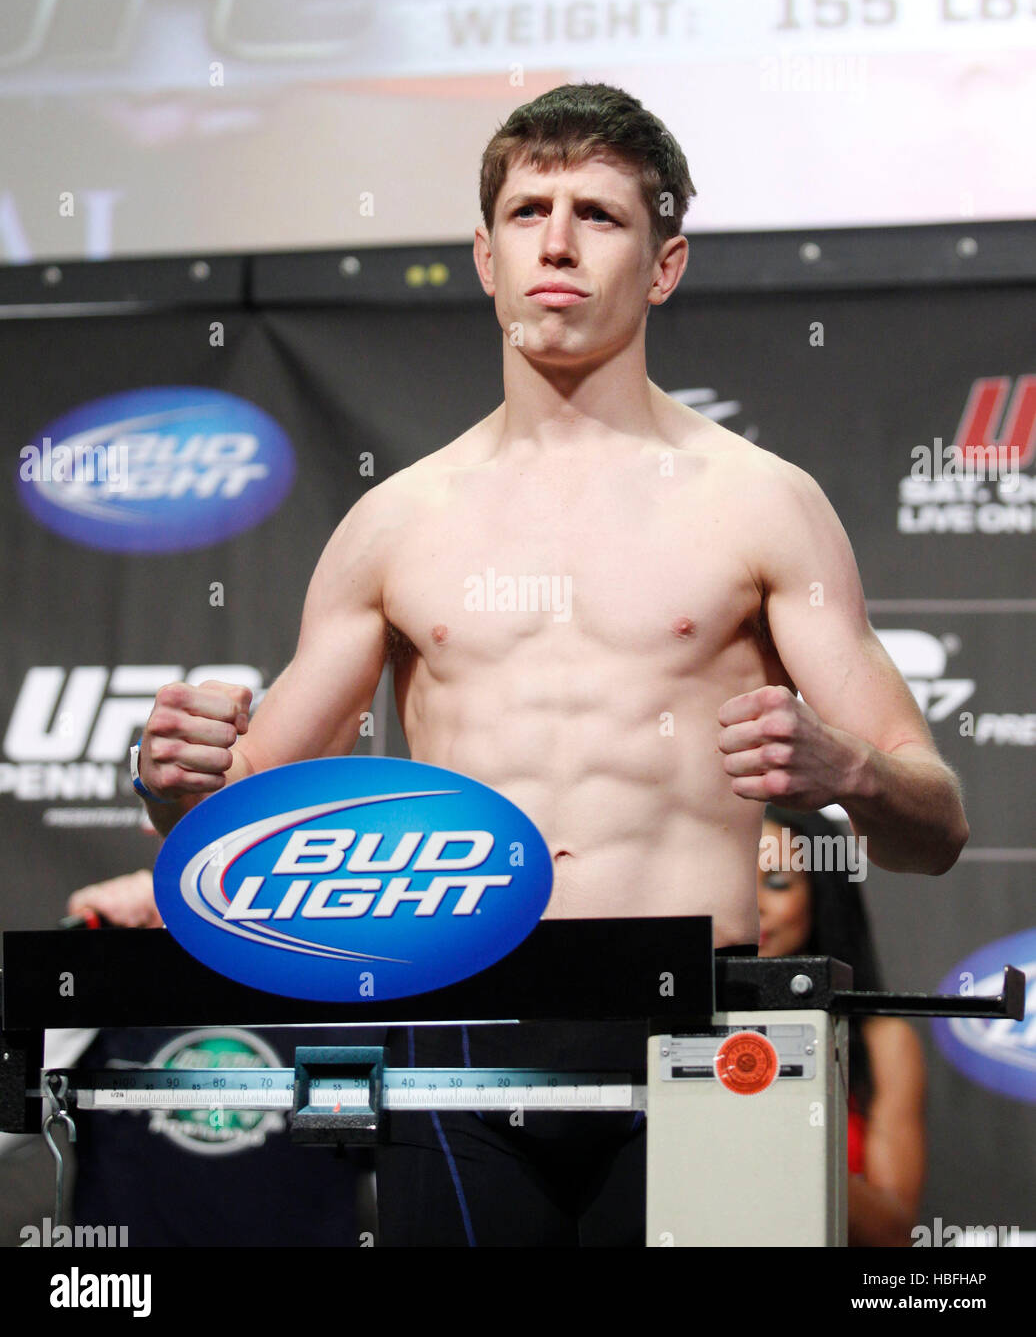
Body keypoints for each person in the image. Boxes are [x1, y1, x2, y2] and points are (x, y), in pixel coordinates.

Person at [70, 82, 967, 1245]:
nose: (555, 241)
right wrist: (173, 783)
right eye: (527, 210)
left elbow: (934, 827)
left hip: (699, 1024)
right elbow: (226, 829)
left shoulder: (764, 506)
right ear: (483, 256)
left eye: (597, 214)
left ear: (664, 264)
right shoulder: (394, 527)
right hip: (457, 1025)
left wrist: (849, 764)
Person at [758, 806, 926, 1247]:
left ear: (821, 894)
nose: (751, 902)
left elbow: (894, 1230)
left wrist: (786, 1145)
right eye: (733, 882)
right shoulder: (667, 1027)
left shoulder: (881, 1042)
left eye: (776, 882)